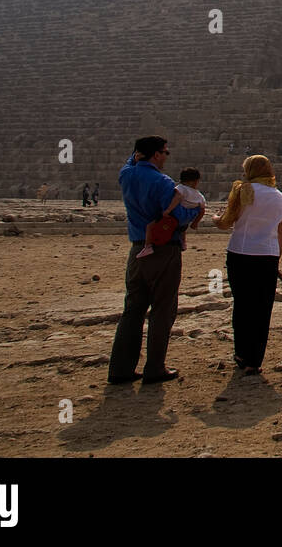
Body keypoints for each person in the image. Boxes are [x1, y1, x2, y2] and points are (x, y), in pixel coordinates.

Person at [107, 136, 197, 386]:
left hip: (137, 250)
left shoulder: (126, 174)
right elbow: (178, 217)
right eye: (165, 153)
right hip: (163, 252)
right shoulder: (162, 182)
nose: (167, 157)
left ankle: (120, 370)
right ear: (156, 155)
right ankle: (155, 368)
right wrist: (198, 209)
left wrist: (136, 156)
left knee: (132, 310)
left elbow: (130, 162)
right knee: (162, 310)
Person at [212, 155, 282, 376]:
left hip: (240, 254)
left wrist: (215, 217)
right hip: (267, 257)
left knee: (243, 305)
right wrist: (275, 258)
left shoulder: (243, 190)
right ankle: (254, 360)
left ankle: (241, 353)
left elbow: (226, 222)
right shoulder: (279, 197)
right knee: (262, 309)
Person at [139, 167, 205, 258]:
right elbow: (202, 211)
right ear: (196, 181)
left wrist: (168, 210)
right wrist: (195, 223)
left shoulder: (181, 188)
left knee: (150, 226)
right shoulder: (200, 196)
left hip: (175, 217)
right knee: (182, 230)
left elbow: (177, 198)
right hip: (186, 220)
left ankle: (148, 246)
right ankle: (183, 243)